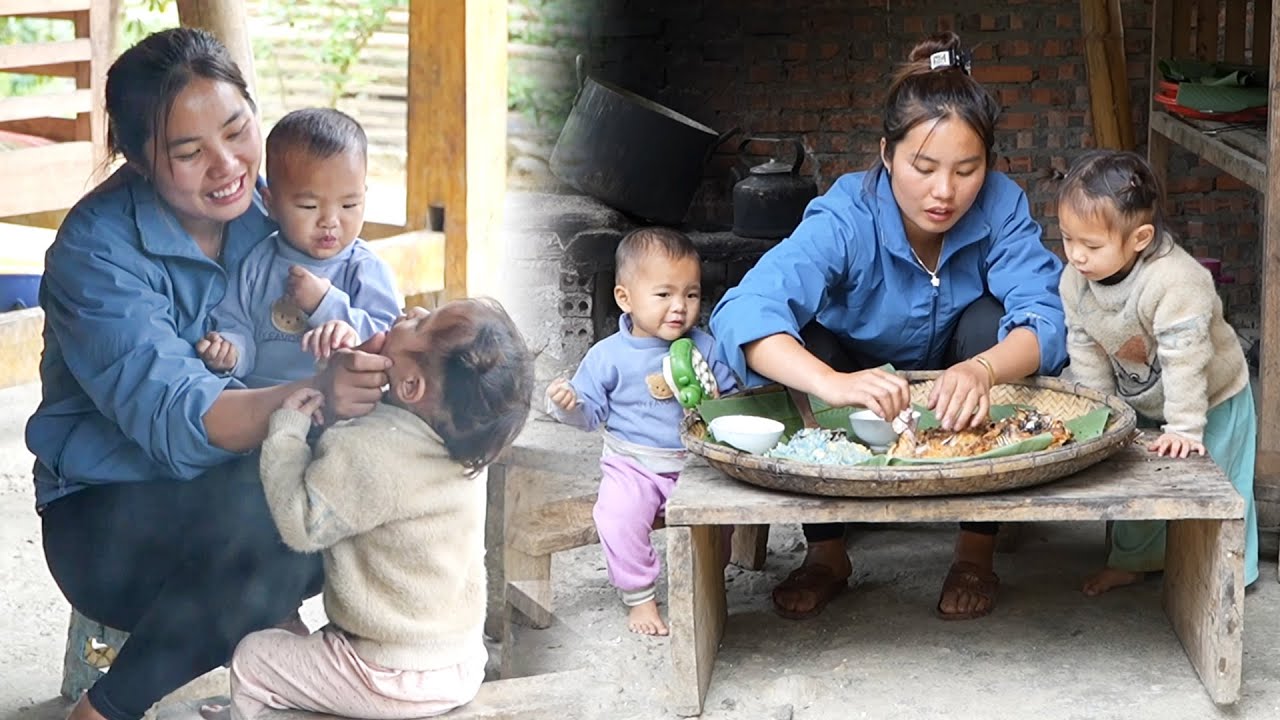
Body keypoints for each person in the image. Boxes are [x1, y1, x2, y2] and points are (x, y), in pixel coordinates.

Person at [25, 28, 391, 720]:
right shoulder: (93, 252)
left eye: (236, 131)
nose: (227, 167)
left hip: (236, 490)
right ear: (135, 158)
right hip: (109, 513)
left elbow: (361, 286)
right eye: (188, 152)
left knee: (341, 491)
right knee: (284, 523)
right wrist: (314, 395)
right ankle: (109, 708)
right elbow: (177, 420)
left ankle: (289, 645)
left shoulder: (278, 205)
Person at [709, 32, 1067, 622]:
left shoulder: (1002, 206)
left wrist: (981, 368)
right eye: (923, 167)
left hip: (958, 384)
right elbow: (745, 311)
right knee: (808, 342)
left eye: (966, 169)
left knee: (990, 328)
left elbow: (1045, 319)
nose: (944, 191)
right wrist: (834, 384)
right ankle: (828, 551)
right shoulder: (847, 212)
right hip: (855, 379)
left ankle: (976, 547)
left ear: (989, 166)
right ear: (886, 154)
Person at [202, 299, 533, 719]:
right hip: (460, 661)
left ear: (411, 388)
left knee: (253, 659)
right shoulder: (467, 454)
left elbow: (302, 523)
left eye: (421, 322)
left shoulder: (371, 451)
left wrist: (285, 434)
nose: (410, 310)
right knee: (293, 638)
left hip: (389, 674)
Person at [1056, 150, 1259, 594]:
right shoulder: (1074, 282)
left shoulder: (1175, 281)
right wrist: (1100, 418)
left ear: (1140, 238)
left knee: (1219, 492)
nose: (1076, 256)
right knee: (1139, 484)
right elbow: (1085, 348)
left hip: (1211, 397)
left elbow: (1185, 360)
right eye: (1067, 239)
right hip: (1143, 399)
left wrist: (1186, 429)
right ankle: (1135, 561)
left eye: (1091, 245)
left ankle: (1226, 576)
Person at [546, 227, 738, 636]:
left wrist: (721, 397)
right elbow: (590, 413)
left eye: (691, 294)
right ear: (625, 298)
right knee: (617, 516)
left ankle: (710, 577)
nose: (679, 308)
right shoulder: (607, 356)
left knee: (720, 519)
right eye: (663, 294)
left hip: (696, 465)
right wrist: (569, 405)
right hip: (633, 464)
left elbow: (735, 402)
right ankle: (640, 597)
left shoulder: (706, 347)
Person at [196, 107, 401, 387]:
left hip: (340, 405)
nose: (330, 221)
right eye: (309, 206)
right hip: (261, 404)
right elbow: (236, 324)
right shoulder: (258, 262)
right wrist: (230, 352)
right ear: (270, 203)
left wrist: (326, 305)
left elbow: (389, 341)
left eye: (349, 205)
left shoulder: (363, 268)